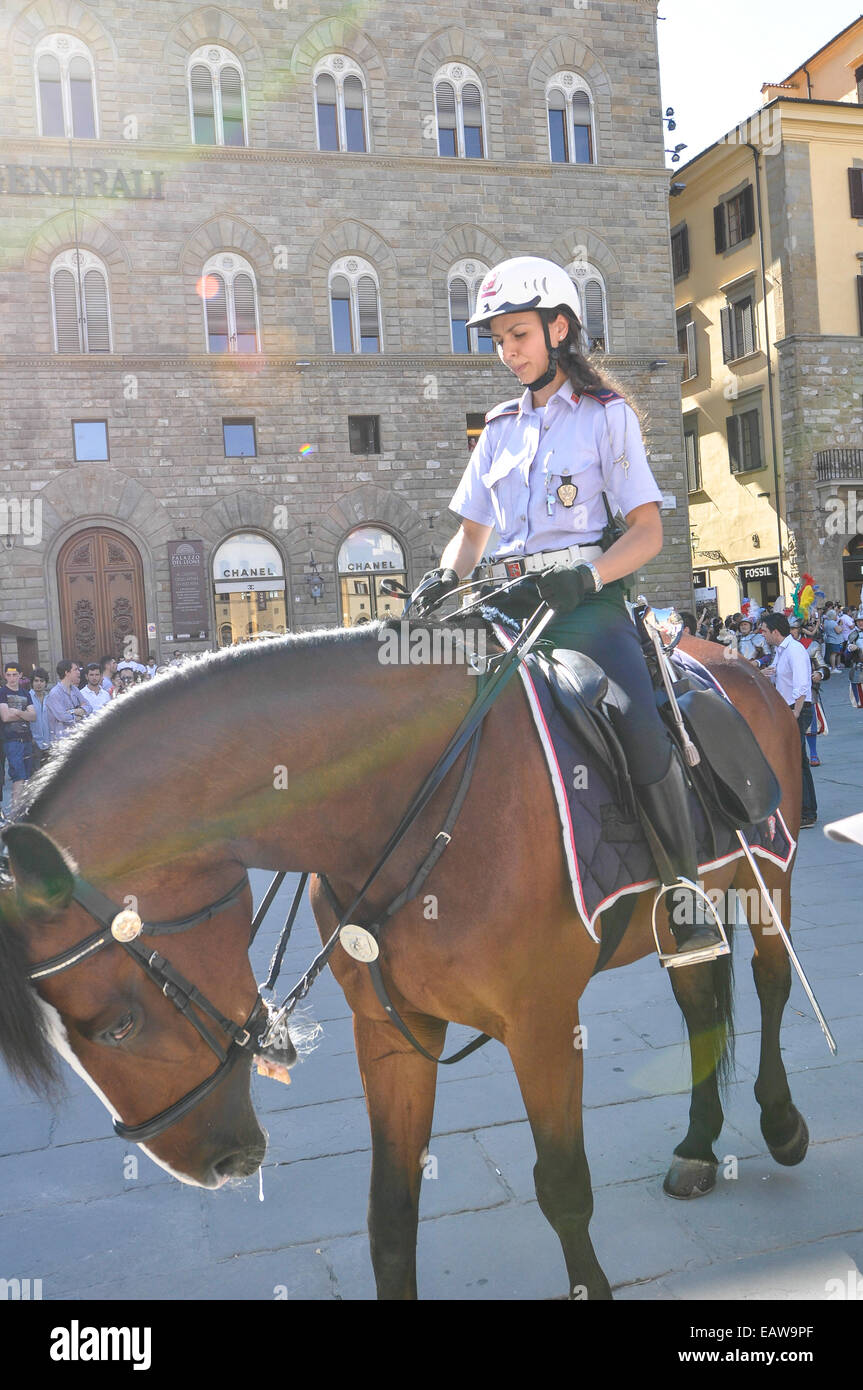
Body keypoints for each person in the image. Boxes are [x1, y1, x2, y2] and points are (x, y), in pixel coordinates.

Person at [413, 254, 725, 967]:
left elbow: (646, 533)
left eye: (517, 333)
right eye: (497, 339)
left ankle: (686, 898)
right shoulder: (495, 427)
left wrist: (587, 580)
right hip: (502, 601)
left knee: (632, 720)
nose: (507, 351)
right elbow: (469, 538)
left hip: (585, 606)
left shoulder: (604, 418)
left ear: (558, 328)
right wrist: (435, 586)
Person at [760, 614, 816, 828]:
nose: (762, 635)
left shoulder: (794, 650)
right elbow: (775, 673)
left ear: (775, 632)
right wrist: (763, 673)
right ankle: (804, 809)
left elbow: (802, 684)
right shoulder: (781, 651)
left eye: (764, 630)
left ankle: (807, 811)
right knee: (797, 760)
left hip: (797, 709)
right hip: (788, 709)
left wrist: (796, 713)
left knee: (797, 760)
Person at [0, 662, 36, 811]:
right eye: (8, 675)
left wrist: (19, 713)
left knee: (27, 776)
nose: (12, 678)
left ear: (20, 675)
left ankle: (23, 810)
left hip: (27, 739)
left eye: (15, 675)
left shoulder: (25, 693)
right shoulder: (2, 692)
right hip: (12, 740)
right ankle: (16, 812)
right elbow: (6, 717)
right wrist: (25, 715)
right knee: (18, 776)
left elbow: (33, 716)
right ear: (4, 675)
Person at [46, 660, 88, 743]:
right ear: (67, 673)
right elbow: (63, 717)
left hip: (76, 738)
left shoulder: (75, 689)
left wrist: (73, 711)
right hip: (61, 741)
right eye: (75, 670)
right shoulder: (55, 693)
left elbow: (89, 707)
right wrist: (79, 715)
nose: (78, 672)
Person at [28, 667, 52, 770]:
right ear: (32, 683)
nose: (39, 683)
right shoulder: (27, 697)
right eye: (36, 681)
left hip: (49, 743)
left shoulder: (50, 698)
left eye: (42, 681)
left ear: (46, 683)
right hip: (33, 744)